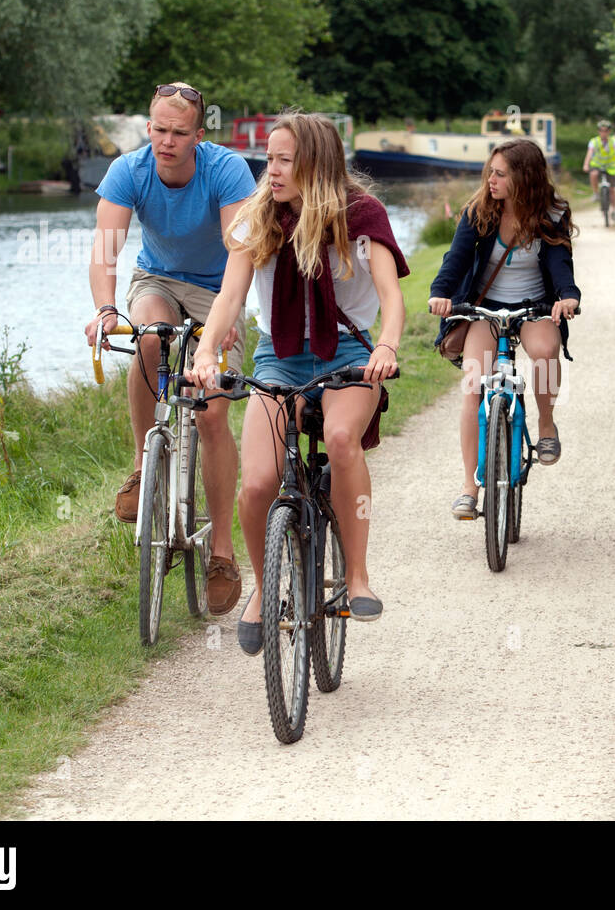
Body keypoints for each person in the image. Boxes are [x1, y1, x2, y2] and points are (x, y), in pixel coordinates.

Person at [187, 111, 408, 651]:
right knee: (259, 481)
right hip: (278, 358)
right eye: (271, 158)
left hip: (349, 353)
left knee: (339, 439)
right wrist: (207, 351)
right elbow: (231, 297)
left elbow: (391, 297)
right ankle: (265, 588)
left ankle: (356, 575)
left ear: (315, 163)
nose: (273, 169)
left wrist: (387, 346)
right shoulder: (257, 215)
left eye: (285, 160)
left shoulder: (362, 214)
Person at [83, 82, 255, 616]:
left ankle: (223, 552)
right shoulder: (128, 171)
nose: (167, 141)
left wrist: (225, 322)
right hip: (156, 278)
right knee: (150, 336)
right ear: (148, 128)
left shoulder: (226, 170)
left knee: (209, 417)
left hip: (218, 290)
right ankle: (142, 463)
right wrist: (107, 308)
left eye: (180, 133)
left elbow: (239, 254)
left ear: (198, 136)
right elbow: (106, 252)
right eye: (158, 129)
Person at [428, 139, 580, 520]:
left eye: (500, 174)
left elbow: (560, 263)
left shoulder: (551, 213)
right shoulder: (479, 211)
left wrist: (567, 297)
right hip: (485, 308)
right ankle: (468, 488)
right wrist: (441, 293)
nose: (491, 179)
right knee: (471, 386)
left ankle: (546, 424)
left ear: (523, 177)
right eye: (490, 172)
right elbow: (457, 257)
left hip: (534, 306)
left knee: (545, 352)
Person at [582, 119, 615, 223]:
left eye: (606, 130)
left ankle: (613, 211)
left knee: (612, 189)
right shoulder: (594, 141)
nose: (604, 133)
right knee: (593, 174)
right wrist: (586, 164)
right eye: (601, 130)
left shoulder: (614, 140)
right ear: (599, 131)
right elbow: (589, 153)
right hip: (597, 165)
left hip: (611, 166)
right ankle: (596, 193)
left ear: (609, 131)